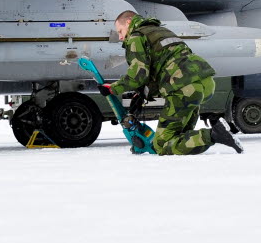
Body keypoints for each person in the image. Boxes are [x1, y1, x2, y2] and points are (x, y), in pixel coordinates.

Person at [101, 10, 242, 154]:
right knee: (179, 135)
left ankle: (215, 134)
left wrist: (113, 88)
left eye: (120, 30)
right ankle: (217, 135)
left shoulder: (136, 37)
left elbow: (138, 75)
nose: (120, 37)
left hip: (184, 88)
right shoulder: (161, 31)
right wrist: (142, 94)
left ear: (129, 22)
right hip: (204, 82)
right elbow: (165, 66)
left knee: (162, 144)